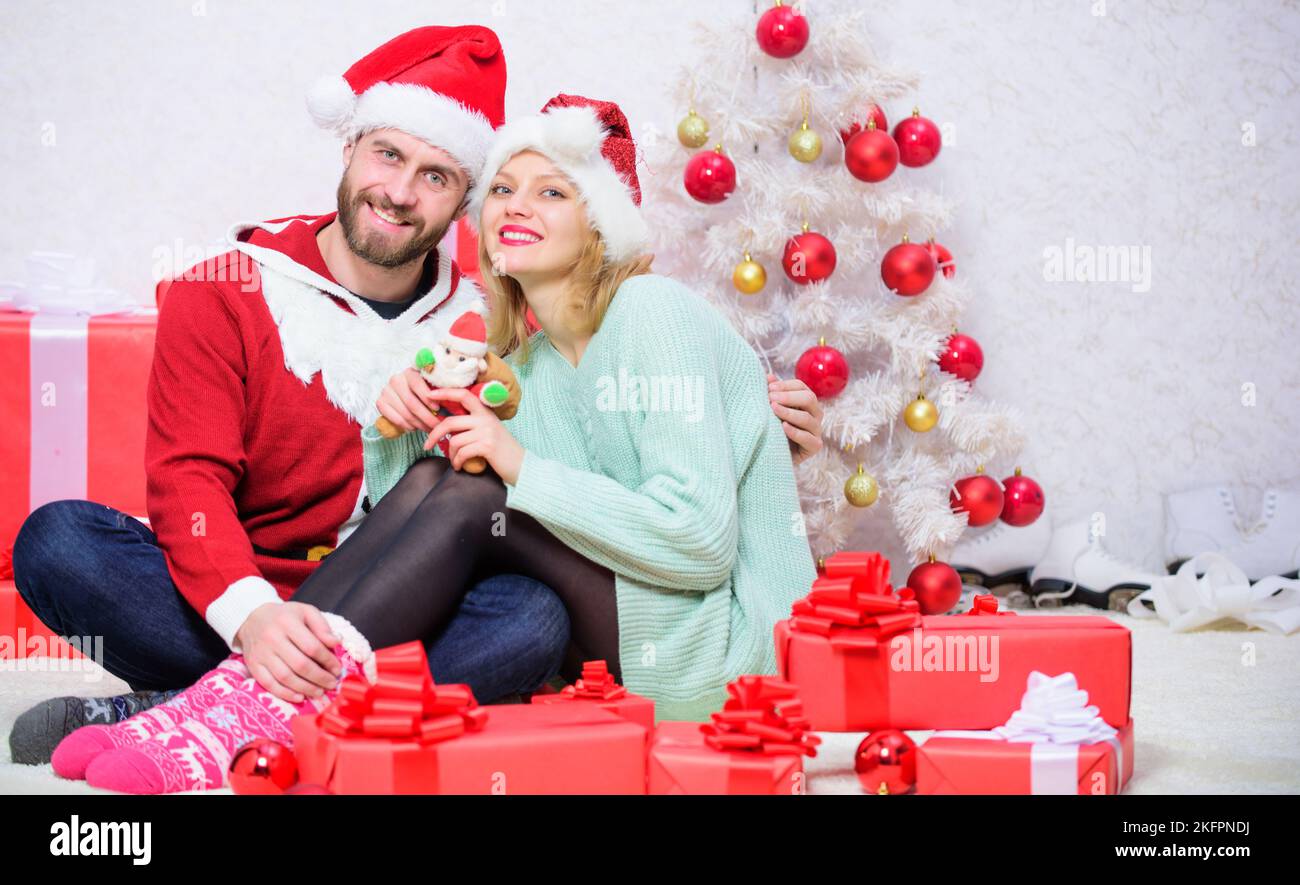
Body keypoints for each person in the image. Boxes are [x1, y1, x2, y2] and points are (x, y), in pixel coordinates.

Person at [8, 25, 575, 769]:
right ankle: (265, 692)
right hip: (232, 597)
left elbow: (557, 439)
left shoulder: (485, 322)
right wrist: (254, 618)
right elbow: (188, 479)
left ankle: (191, 708)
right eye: (388, 154)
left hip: (408, 607)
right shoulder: (227, 289)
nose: (400, 193)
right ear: (349, 149)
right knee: (59, 543)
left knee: (532, 619)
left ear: (463, 197)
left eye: (436, 176)